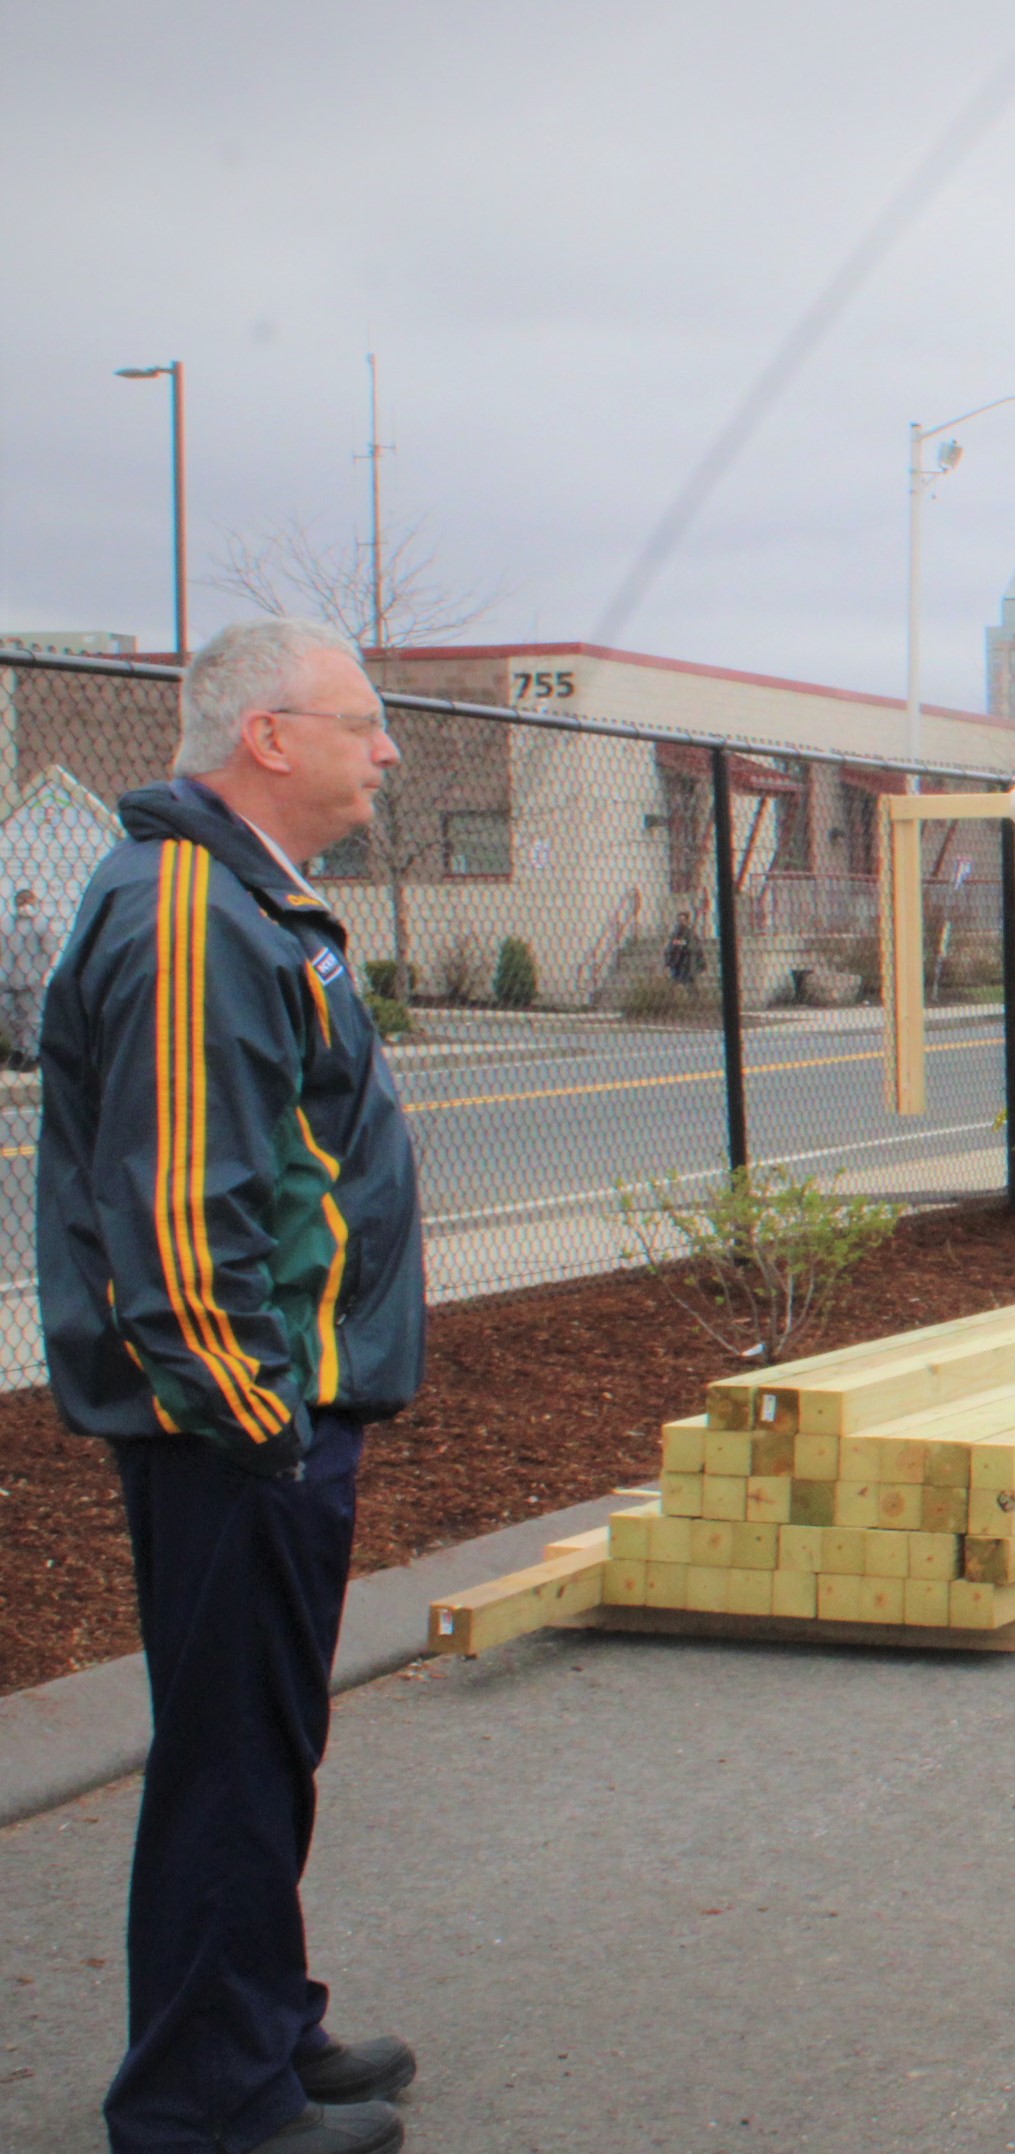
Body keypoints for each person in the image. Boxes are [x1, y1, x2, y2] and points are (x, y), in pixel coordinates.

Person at [39, 616, 430, 2154]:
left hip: (270, 1419)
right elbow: (183, 1208)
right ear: (269, 736)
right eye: (363, 723)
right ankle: (208, 2101)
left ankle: (258, 2021)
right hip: (236, 1430)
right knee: (228, 1754)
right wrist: (256, 1418)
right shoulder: (194, 911)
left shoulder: (247, 903)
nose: (385, 750)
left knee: (262, 1744)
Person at [0, 886, 56, 1066]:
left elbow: (50, 950)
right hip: (7, 978)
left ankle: (32, 1054)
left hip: (31, 979)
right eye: (21, 901)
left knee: (32, 1019)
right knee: (9, 1016)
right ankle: (17, 1049)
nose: (24, 905)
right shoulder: (5, 923)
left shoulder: (41, 924)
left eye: (28, 900)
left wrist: (40, 973)